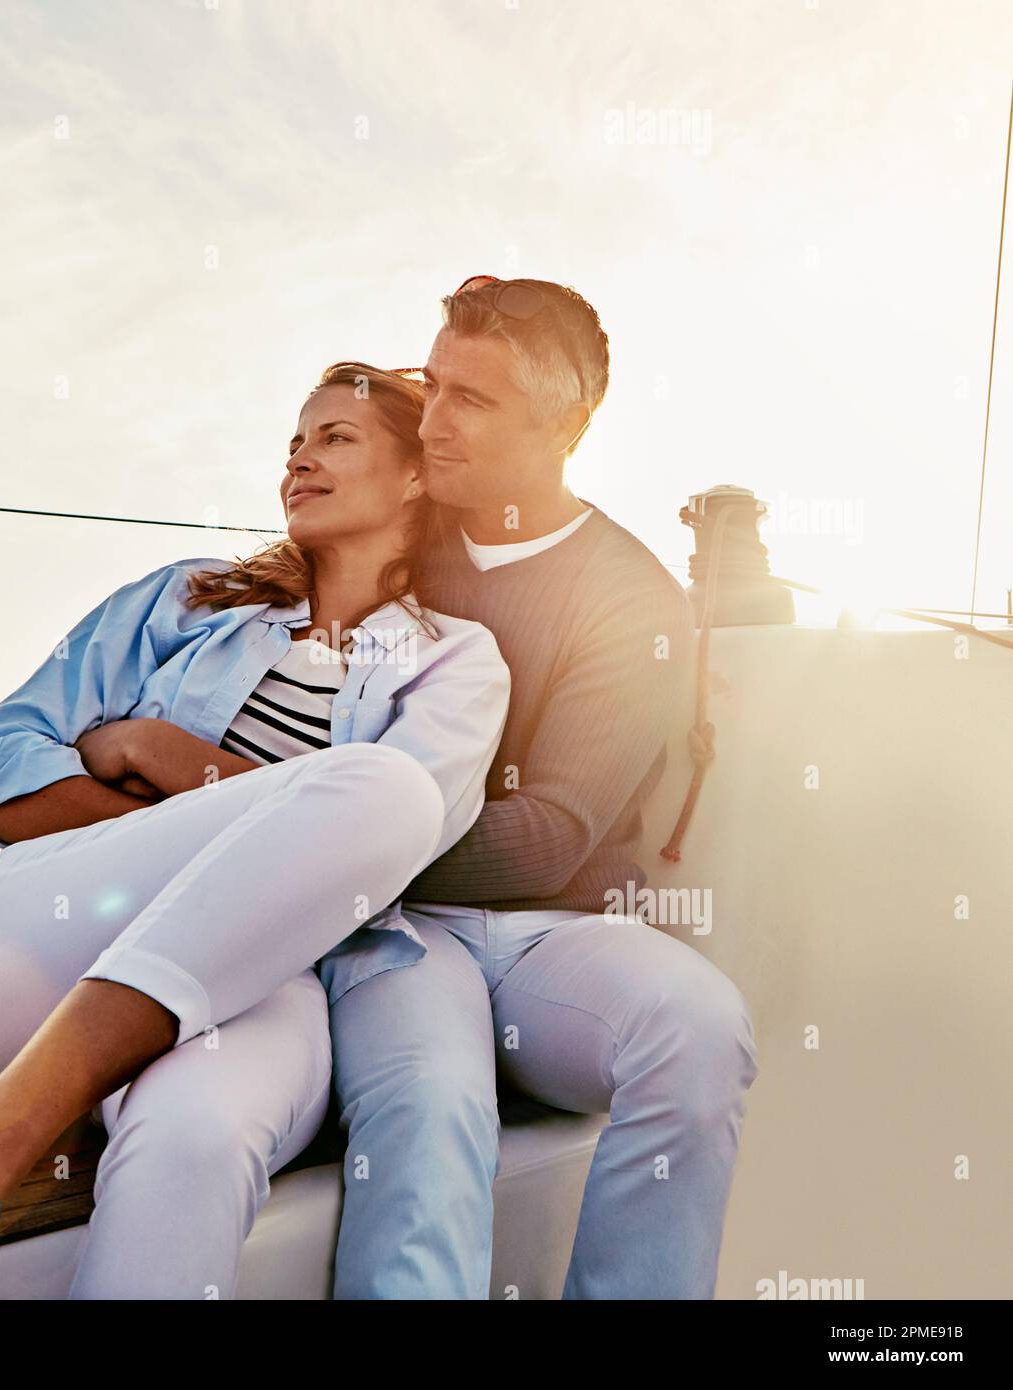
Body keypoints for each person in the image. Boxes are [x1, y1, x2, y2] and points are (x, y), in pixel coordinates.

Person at [0, 361, 510, 1301]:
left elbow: (389, 848)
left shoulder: (456, 663)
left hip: (263, 983)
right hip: (40, 950)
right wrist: (213, 809)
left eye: (336, 438)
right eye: (294, 442)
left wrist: (158, 749)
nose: (300, 461)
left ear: (417, 475)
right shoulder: (186, 601)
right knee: (379, 787)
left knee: (202, 1133)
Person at [319, 277, 760, 1300]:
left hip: (544, 934)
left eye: (472, 401)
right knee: (435, 1101)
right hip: (387, 923)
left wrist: (327, 838)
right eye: (433, 386)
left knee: (696, 1030)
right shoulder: (392, 533)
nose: (431, 422)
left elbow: (550, 837)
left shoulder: (631, 596)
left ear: (567, 425)